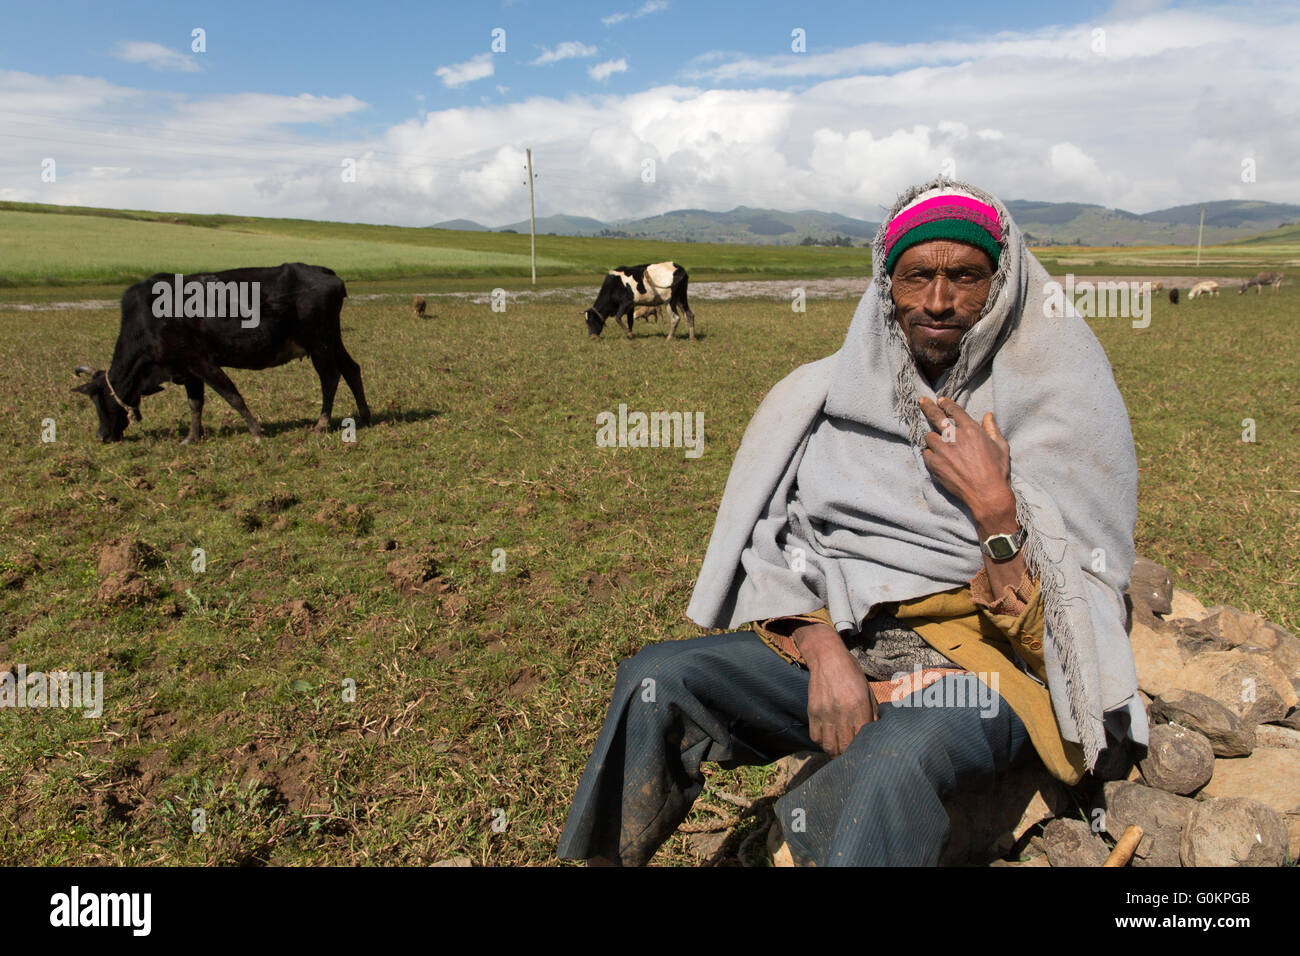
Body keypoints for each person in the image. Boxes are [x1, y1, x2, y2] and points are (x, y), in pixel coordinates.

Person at [556, 176, 1147, 867]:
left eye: (966, 276)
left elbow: (1076, 627)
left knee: (889, 766)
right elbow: (784, 544)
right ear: (884, 283)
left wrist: (995, 511)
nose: (937, 300)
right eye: (916, 275)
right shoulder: (833, 395)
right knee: (657, 680)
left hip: (986, 667)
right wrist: (822, 649)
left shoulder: (1062, 399)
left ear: (1005, 282)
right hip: (846, 637)